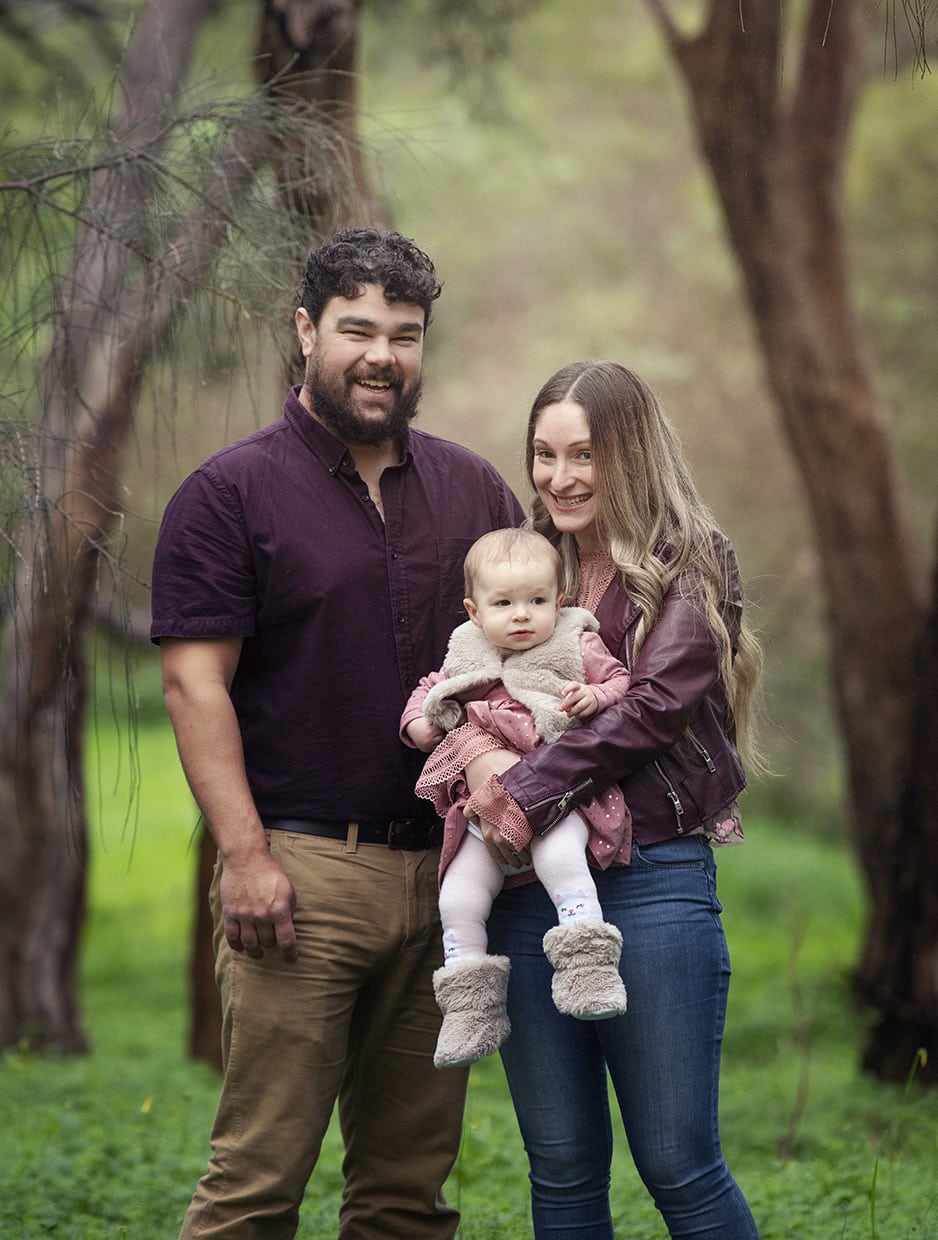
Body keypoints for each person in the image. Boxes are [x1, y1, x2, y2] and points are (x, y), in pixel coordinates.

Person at [149, 227, 524, 1240]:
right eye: (357, 329)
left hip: (449, 879)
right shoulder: (229, 494)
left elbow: (525, 658)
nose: (381, 355)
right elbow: (195, 686)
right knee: (256, 1184)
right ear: (305, 330)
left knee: (408, 1196)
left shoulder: (474, 492)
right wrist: (243, 855)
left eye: (403, 334)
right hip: (302, 875)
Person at [458, 361, 762, 1239]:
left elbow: (654, 711)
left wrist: (519, 788)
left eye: (585, 454)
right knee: (560, 1167)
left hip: (653, 877)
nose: (560, 477)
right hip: (526, 890)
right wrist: (473, 754)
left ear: (630, 453)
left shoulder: (691, 561)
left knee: (678, 1164)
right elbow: (466, 685)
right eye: (544, 454)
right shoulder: (523, 563)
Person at [401, 527, 631, 1069]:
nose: (522, 614)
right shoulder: (466, 650)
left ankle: (587, 968)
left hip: (557, 797)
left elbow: (623, 682)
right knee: (458, 895)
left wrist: (594, 695)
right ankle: (470, 1007)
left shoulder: (576, 642)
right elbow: (426, 690)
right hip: (483, 807)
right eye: (504, 603)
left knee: (560, 862)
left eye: (537, 600)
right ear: (474, 611)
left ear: (561, 600)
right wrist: (415, 724)